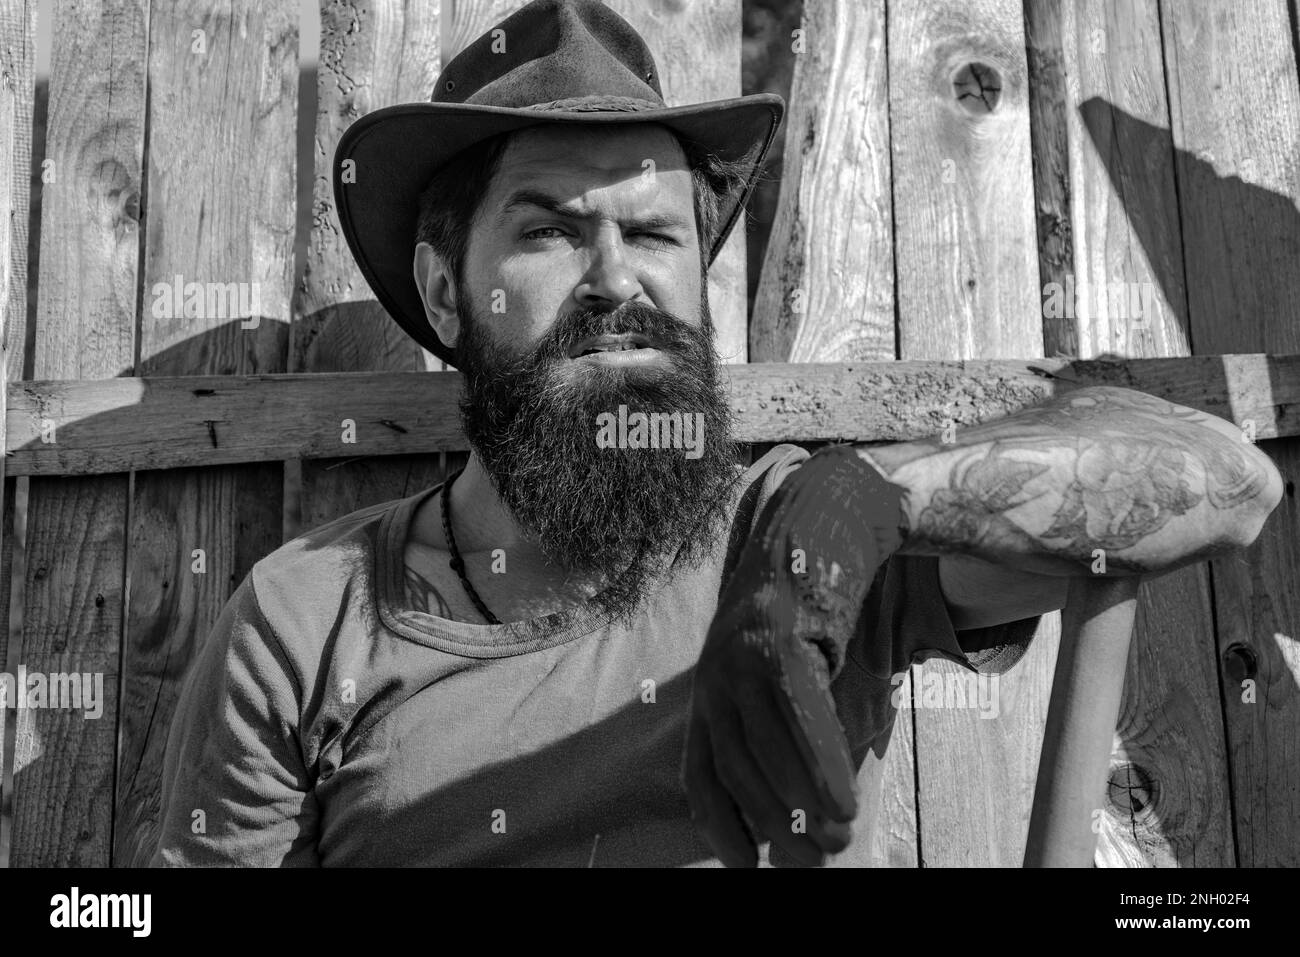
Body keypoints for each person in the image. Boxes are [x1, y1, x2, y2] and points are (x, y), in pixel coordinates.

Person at [151, 0, 1283, 867]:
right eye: (550, 231)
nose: (615, 283)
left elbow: (1222, 478)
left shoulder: (791, 540)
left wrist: (865, 509)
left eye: (653, 236)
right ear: (449, 296)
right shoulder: (307, 619)